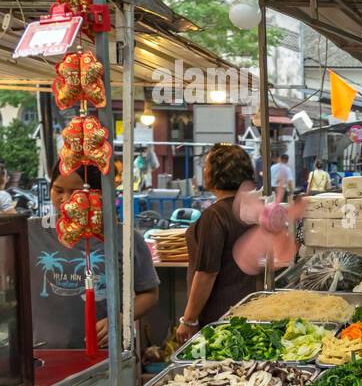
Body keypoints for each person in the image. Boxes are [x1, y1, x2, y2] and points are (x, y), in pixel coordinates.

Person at [28, 166, 159, 349]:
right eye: (58, 190)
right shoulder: (31, 232)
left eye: (76, 193)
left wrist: (121, 318)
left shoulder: (125, 237)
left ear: (98, 194)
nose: (65, 200)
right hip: (44, 354)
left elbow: (149, 293)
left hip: (106, 355)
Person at [176, 145, 259, 342]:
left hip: (220, 319)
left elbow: (207, 273)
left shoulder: (214, 216)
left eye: (206, 166)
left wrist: (188, 320)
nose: (204, 171)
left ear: (216, 173)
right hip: (248, 310)